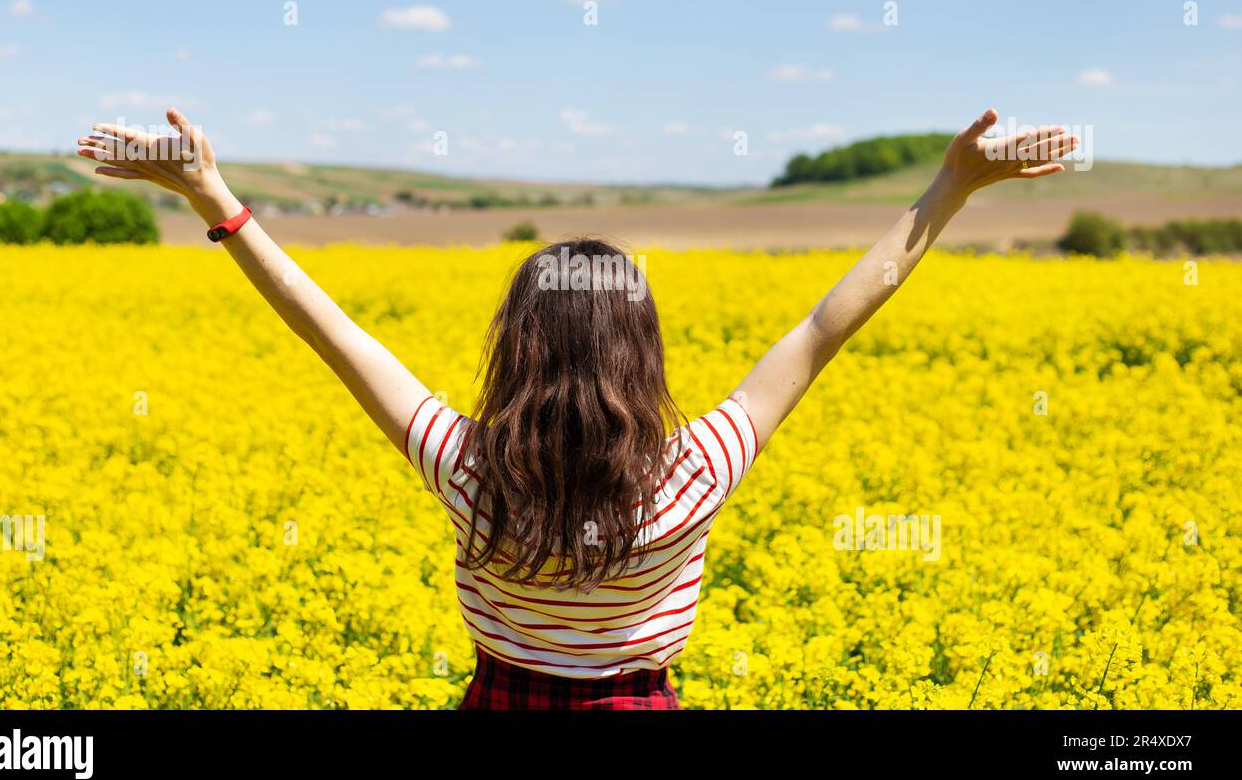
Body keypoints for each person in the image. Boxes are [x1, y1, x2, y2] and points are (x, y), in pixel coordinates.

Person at [78, 106, 1077, 709]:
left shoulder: (464, 467)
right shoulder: (696, 470)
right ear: (640, 355)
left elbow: (326, 326)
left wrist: (213, 197)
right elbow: (830, 323)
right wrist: (953, 185)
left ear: (514, 345)